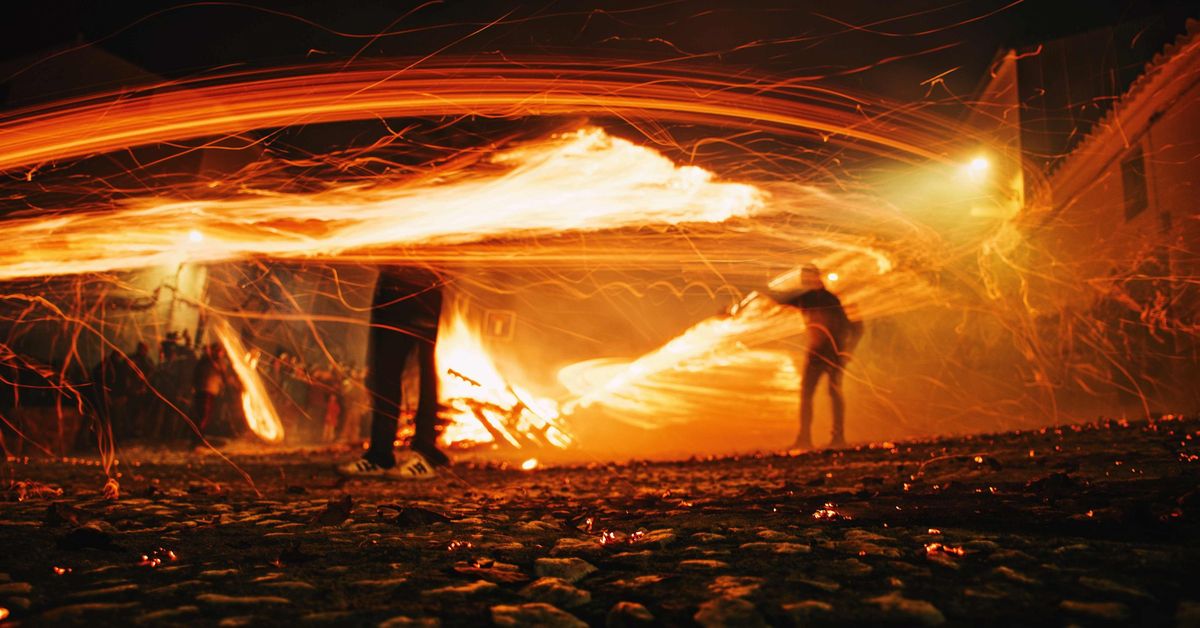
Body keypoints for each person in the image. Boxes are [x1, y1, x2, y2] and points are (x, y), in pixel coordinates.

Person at [337, 267, 448, 479]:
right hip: (391, 284)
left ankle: (425, 453)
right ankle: (380, 455)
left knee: (426, 368)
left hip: (425, 282)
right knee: (384, 372)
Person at [769, 264, 861, 450]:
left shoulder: (830, 299)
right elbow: (781, 300)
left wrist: (848, 349)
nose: (806, 281)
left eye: (809, 277)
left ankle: (837, 437)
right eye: (804, 278)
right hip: (816, 353)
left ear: (817, 278)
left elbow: (852, 326)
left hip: (832, 353)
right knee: (808, 394)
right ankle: (805, 438)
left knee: (833, 393)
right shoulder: (807, 298)